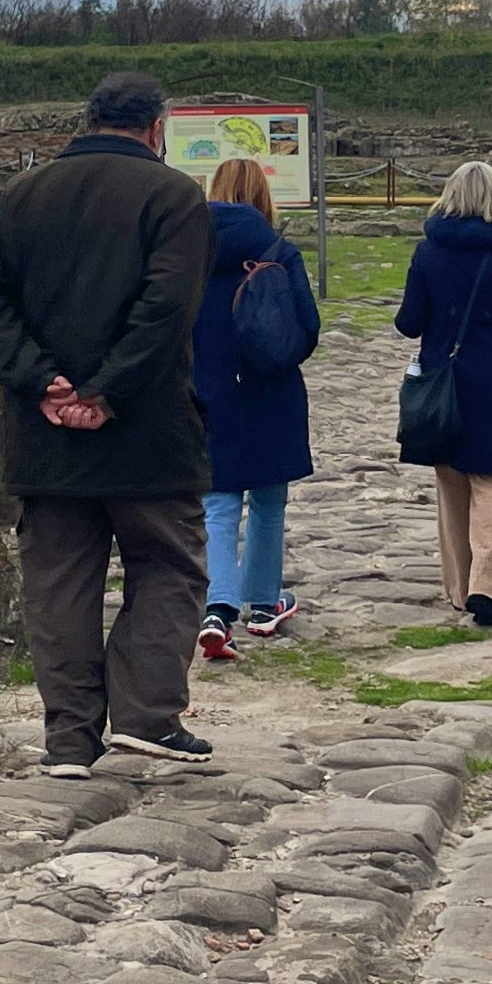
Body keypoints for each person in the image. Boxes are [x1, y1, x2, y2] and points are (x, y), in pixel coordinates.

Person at [0, 71, 215, 767]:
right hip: (147, 426)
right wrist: (106, 391)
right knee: (167, 565)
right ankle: (148, 711)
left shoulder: (19, 196)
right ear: (157, 128)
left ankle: (69, 737)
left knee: (59, 583)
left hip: (45, 433)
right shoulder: (174, 197)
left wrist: (40, 382)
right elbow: (166, 309)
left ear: (88, 119)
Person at [393, 159, 492, 629]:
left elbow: (409, 321)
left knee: (452, 486)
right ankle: (489, 587)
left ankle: (460, 589)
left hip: (446, 383)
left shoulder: (429, 252)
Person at [190, 154, 317, 659]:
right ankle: (263, 601)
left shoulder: (189, 250)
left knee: (217, 501)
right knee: (269, 498)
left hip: (209, 386)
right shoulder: (278, 251)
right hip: (270, 386)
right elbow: (307, 327)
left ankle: (218, 605)